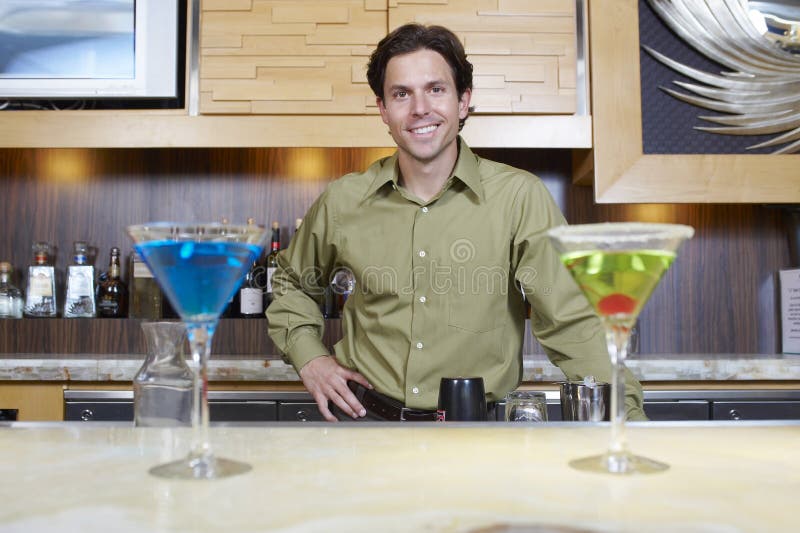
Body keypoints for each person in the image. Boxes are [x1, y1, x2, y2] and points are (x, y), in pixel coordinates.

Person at [267, 23, 646, 422]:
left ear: (463, 101)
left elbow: (573, 324)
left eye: (436, 89)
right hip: (363, 427)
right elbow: (290, 282)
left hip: (478, 440)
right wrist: (311, 359)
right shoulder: (343, 200)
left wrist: (629, 421)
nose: (419, 109)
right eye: (401, 94)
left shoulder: (519, 198)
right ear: (383, 109)